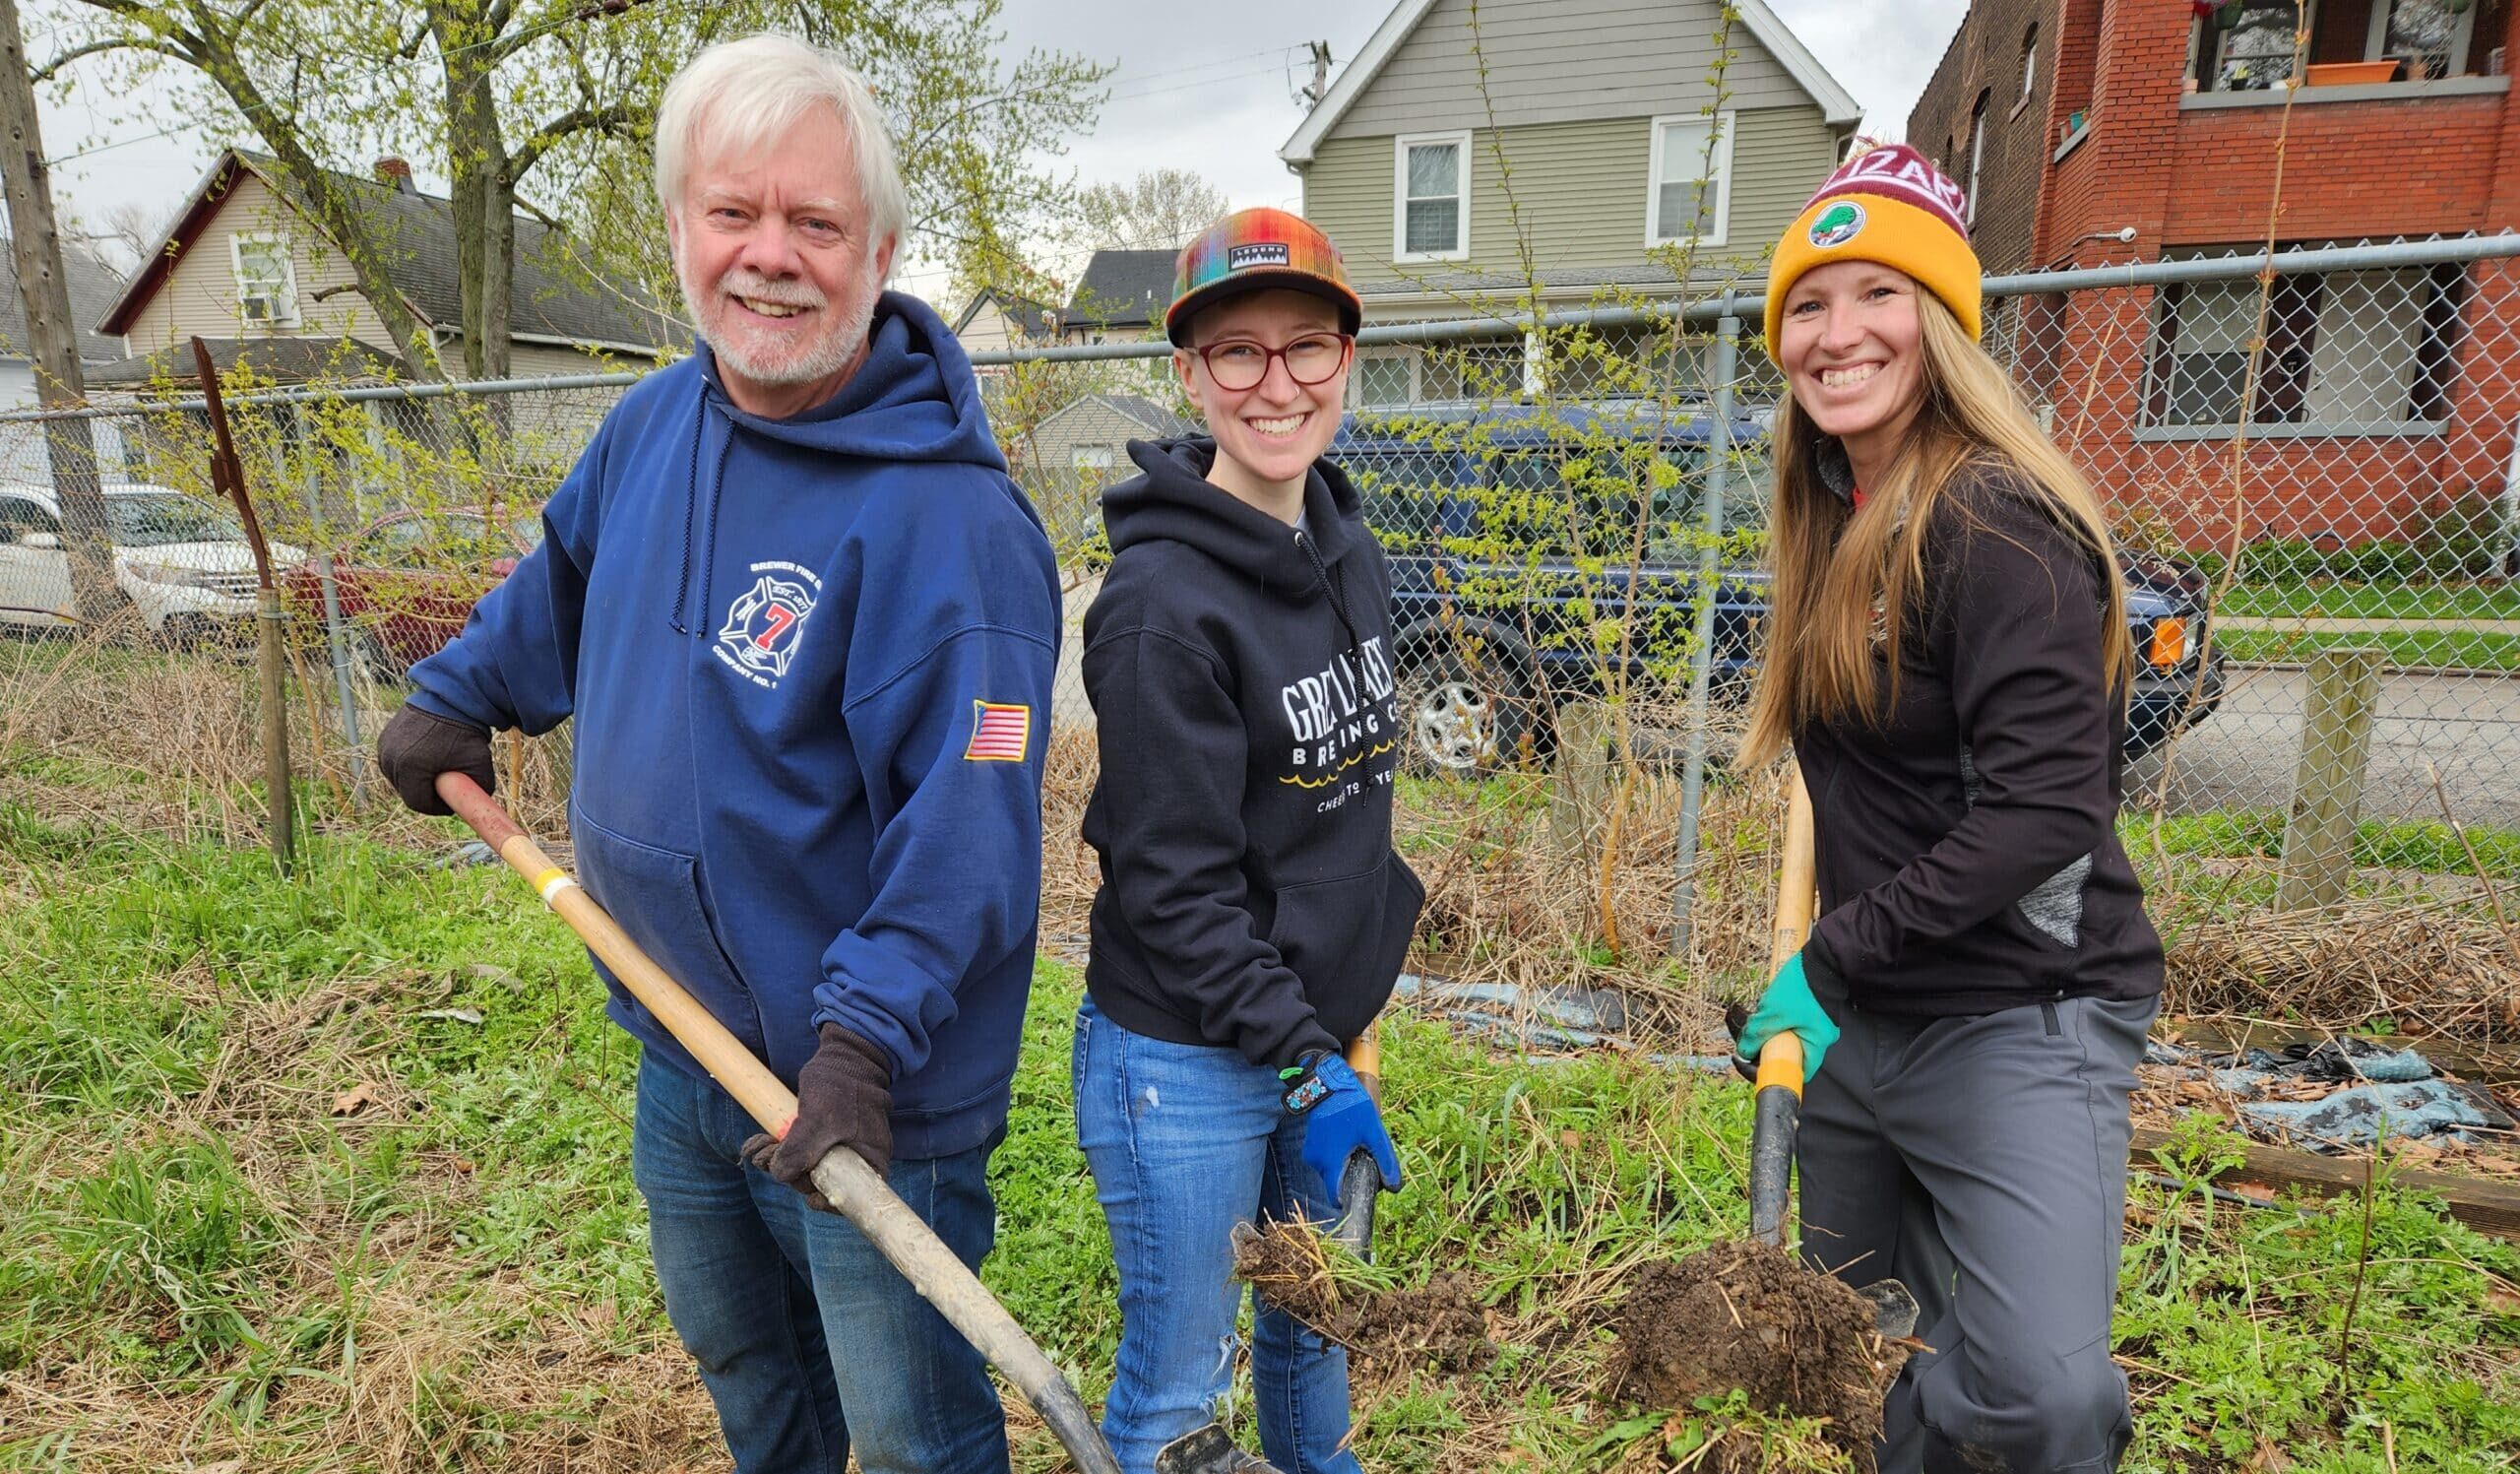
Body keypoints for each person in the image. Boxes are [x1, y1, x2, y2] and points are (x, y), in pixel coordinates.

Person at [371, 33, 1059, 1474]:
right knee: (758, 1385)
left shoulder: (956, 535)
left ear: (876, 251)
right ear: (679, 228)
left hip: (867, 1096)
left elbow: (970, 825)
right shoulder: (651, 425)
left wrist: (863, 1045)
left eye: (814, 224)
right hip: (678, 1048)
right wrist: (461, 691)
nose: (770, 258)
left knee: (914, 1436)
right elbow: (559, 580)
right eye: (733, 214)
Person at [1731, 143, 2165, 1473]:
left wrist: (1829, 957)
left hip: (2017, 1016)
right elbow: (1863, 777)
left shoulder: (1998, 522)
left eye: (1878, 295)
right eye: (1809, 304)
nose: (1837, 332)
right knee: (1867, 1345)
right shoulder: (1832, 516)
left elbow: (2043, 812)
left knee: (2039, 1393)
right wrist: (1837, 974)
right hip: (1869, 1022)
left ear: (1945, 323)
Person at [1072, 208, 1423, 1474]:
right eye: (1236, 354)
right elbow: (1172, 890)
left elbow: (1346, 800)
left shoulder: (1348, 545)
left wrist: (1345, 995)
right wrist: (1302, 1062)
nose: (1276, 385)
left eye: (1306, 348)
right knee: (1181, 1393)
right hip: (1184, 1055)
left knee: (1308, 1327)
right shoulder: (1159, 612)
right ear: (1188, 374)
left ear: (1347, 360)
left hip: (1305, 1030)